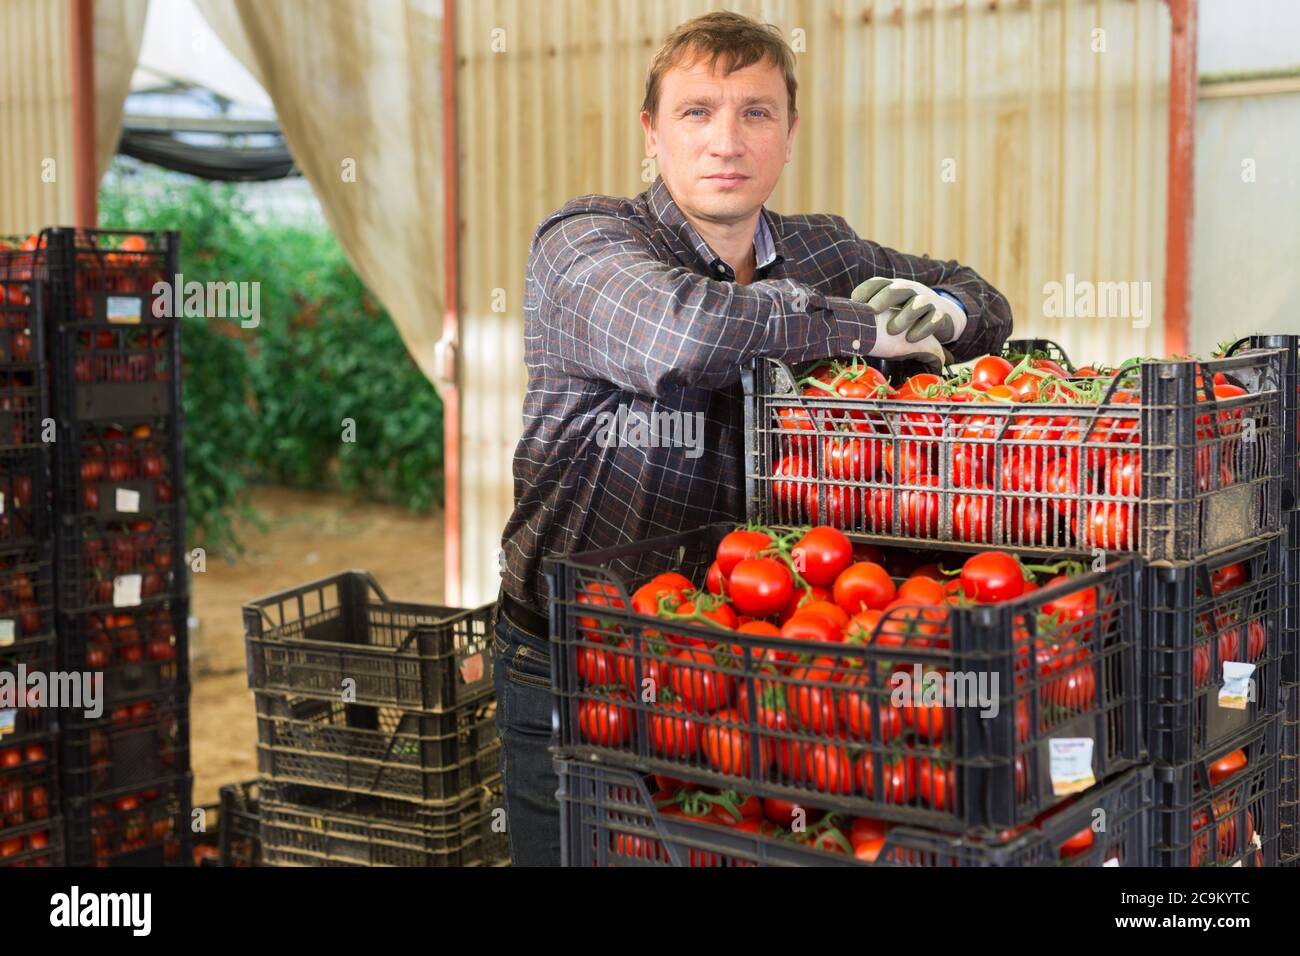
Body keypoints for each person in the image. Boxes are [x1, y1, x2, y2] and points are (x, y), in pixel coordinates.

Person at [494, 9, 1012, 866]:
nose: (725, 140)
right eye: (697, 112)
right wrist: (863, 333)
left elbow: (979, 298)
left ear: (789, 135)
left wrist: (951, 312)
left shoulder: (824, 250)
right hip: (578, 661)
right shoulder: (585, 241)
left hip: (751, 660)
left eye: (755, 112)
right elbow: (683, 337)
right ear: (652, 133)